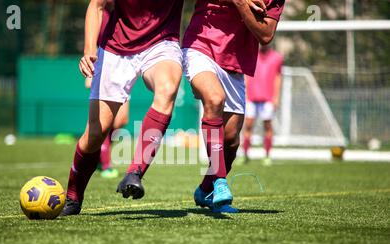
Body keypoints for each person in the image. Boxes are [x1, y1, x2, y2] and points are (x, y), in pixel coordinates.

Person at [62, 0, 184, 216]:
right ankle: (73, 196)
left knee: (167, 89)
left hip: (162, 44)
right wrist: (90, 50)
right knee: (95, 134)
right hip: (115, 49)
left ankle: (135, 172)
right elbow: (97, 5)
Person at [182, 0, 285, 213]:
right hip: (201, 46)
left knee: (230, 142)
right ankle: (220, 182)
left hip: (235, 62)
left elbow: (266, 35)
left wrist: (240, 4)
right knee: (214, 99)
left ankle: (204, 189)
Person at [242, 44, 283, 166]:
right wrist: (244, 94)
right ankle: (244, 155)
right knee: (248, 125)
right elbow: (246, 76)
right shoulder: (251, 55)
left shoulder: (277, 58)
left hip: (268, 99)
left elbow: (278, 77)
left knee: (268, 126)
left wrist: (276, 97)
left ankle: (267, 155)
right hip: (251, 97)